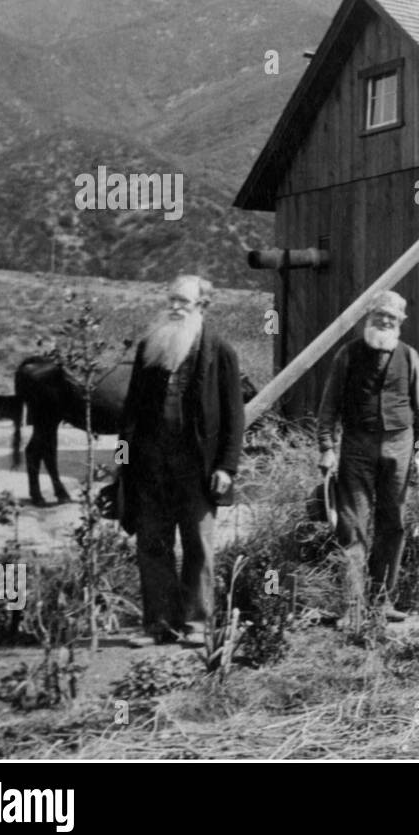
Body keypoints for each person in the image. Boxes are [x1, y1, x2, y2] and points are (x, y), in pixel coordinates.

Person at [119, 275, 244, 647]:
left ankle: (197, 624)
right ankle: (160, 625)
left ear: (202, 307)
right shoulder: (149, 348)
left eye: (183, 303)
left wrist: (227, 467)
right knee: (152, 544)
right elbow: (131, 413)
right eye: (171, 300)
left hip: (198, 466)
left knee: (198, 544)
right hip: (151, 463)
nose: (174, 308)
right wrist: (122, 463)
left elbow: (234, 416)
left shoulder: (220, 351)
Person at [318, 290, 419, 629]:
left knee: (392, 523)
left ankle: (383, 601)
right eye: (379, 316)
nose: (385, 322)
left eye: (392, 318)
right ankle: (352, 606)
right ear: (369, 318)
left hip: (399, 446)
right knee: (352, 524)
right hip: (356, 448)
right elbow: (328, 408)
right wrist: (326, 447)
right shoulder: (347, 356)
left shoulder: (410, 357)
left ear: (400, 324)